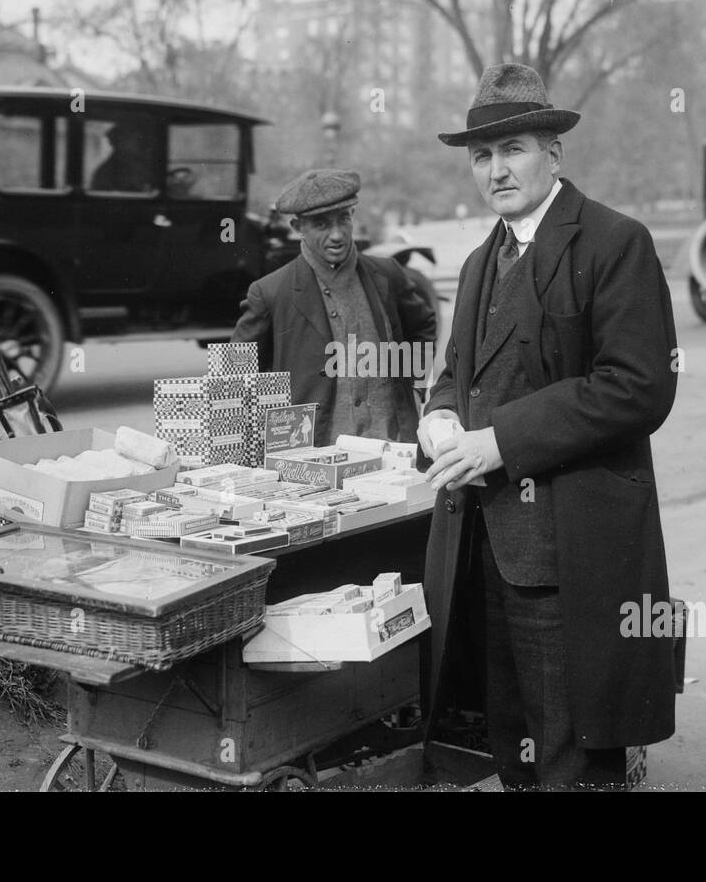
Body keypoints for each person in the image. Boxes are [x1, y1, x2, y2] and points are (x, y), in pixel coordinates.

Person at [418, 63, 679, 788]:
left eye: (514, 150)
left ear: (554, 153)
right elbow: (455, 374)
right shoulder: (478, 263)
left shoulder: (614, 242)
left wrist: (499, 440)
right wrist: (439, 417)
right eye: (481, 156)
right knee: (514, 748)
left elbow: (639, 386)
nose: (496, 170)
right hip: (486, 544)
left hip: (572, 547)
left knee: (574, 754)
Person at [231, 169, 437, 444]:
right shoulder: (270, 293)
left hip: (392, 446)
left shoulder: (388, 275)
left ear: (353, 215)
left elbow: (422, 328)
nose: (337, 234)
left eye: (343, 219)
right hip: (311, 459)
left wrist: (415, 387)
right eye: (321, 224)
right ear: (297, 228)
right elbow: (236, 370)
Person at [90, 124, 153, 193]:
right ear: (119, 142)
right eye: (134, 138)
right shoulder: (105, 172)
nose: (139, 143)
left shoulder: (142, 164)